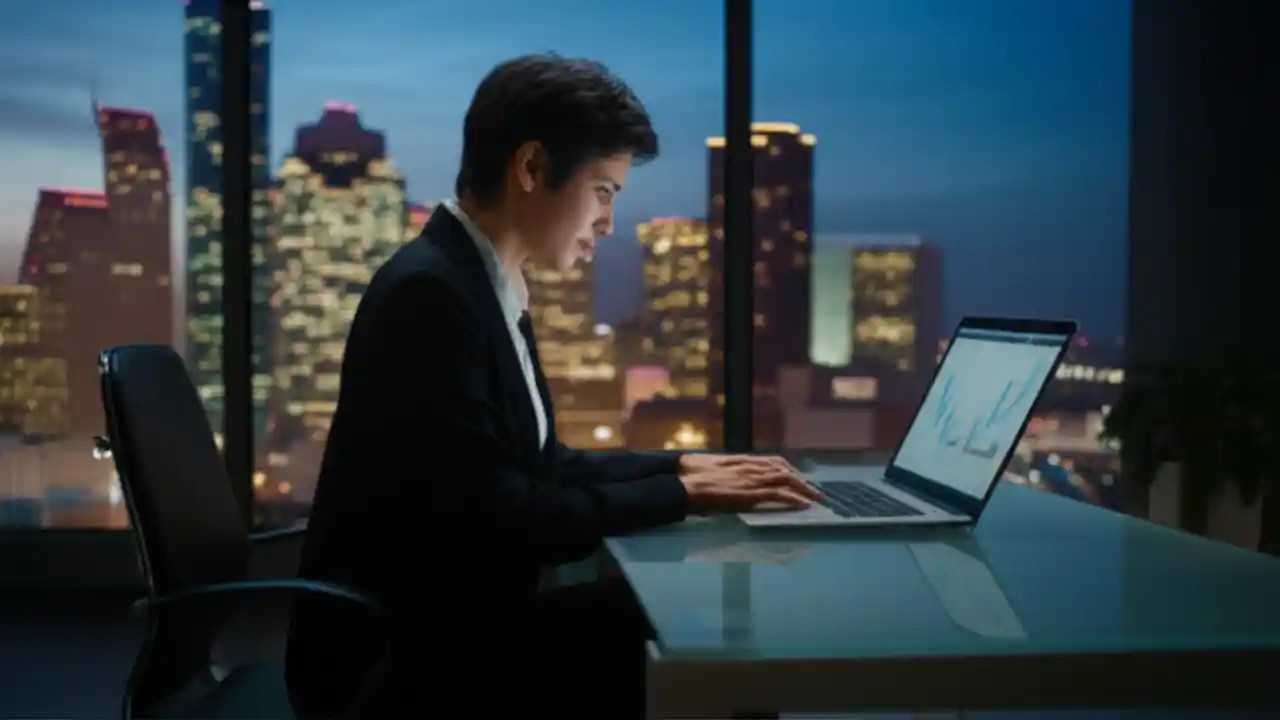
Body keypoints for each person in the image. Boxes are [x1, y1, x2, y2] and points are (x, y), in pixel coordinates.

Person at [284, 53, 821, 719]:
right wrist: (679, 494)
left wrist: (682, 466)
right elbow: (502, 522)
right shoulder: (430, 296)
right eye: (603, 191)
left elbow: (541, 468)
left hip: (458, 627)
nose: (608, 223)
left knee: (700, 618)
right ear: (532, 168)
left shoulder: (483, 283)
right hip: (404, 660)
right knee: (710, 637)